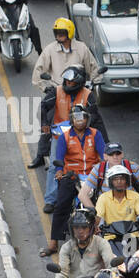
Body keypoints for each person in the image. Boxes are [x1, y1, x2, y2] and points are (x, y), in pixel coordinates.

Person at [36, 63, 106, 211]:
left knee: (93, 164)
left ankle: (97, 195)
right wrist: (45, 124)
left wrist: (105, 141)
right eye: (67, 81)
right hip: (60, 137)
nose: (68, 84)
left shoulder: (87, 95)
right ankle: (51, 199)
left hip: (83, 135)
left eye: (72, 82)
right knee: (56, 167)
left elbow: (96, 117)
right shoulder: (56, 91)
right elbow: (44, 105)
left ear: (79, 83)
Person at [41, 103, 106, 254]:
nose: (80, 120)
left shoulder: (96, 134)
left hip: (93, 176)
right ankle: (53, 243)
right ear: (72, 120)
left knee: (106, 202)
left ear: (87, 119)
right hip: (72, 176)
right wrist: (59, 171)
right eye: (76, 118)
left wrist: (105, 167)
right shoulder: (64, 137)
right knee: (61, 206)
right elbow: (59, 159)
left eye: (82, 117)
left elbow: (104, 155)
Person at [79, 142, 139, 208]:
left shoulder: (132, 167)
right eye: (111, 154)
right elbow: (82, 195)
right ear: (105, 156)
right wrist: (95, 213)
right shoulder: (98, 169)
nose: (115, 157)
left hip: (131, 211)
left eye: (118, 154)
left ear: (122, 154)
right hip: (107, 213)